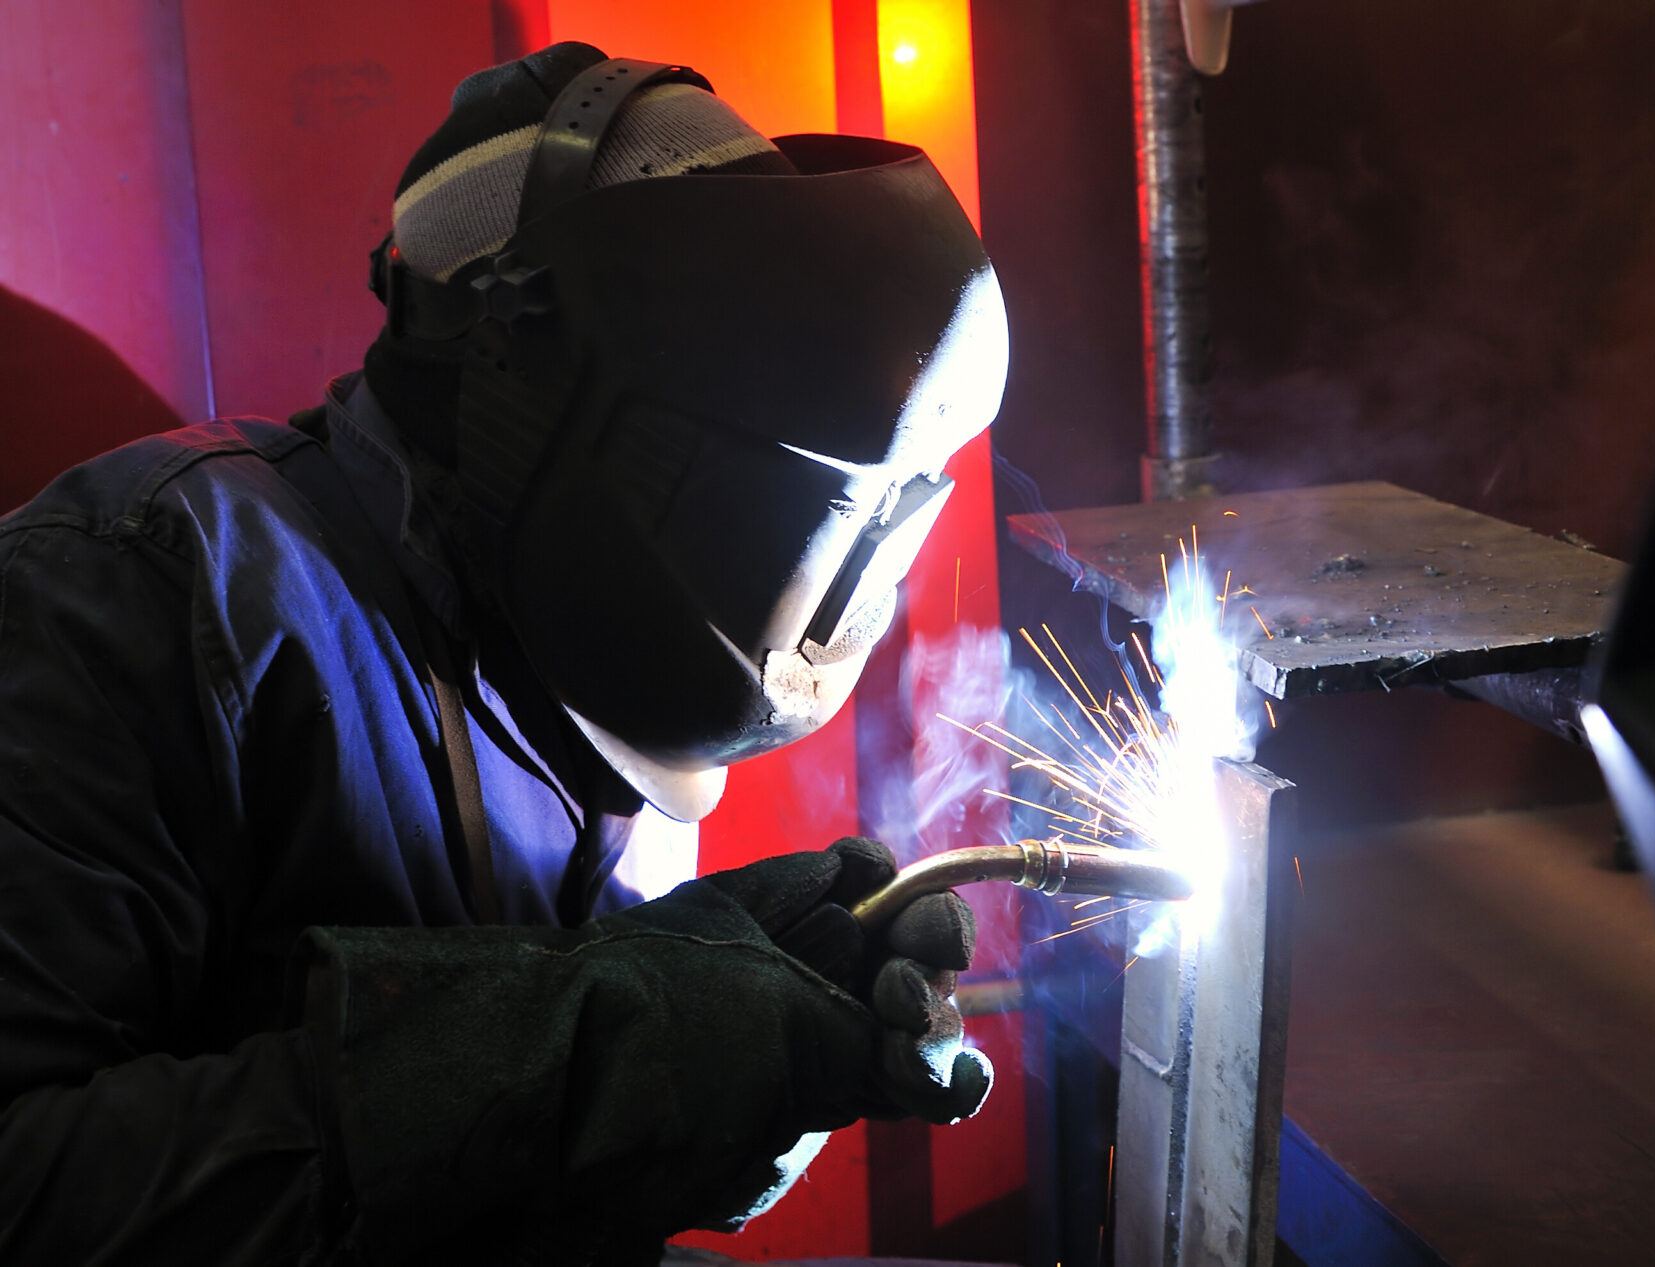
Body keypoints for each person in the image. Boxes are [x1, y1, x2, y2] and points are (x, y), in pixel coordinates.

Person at [0, 41, 1009, 1265]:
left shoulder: (590, 643)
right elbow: (26, 1186)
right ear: (538, 373)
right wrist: (590, 1057)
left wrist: (735, 1060)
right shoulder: (138, 592)